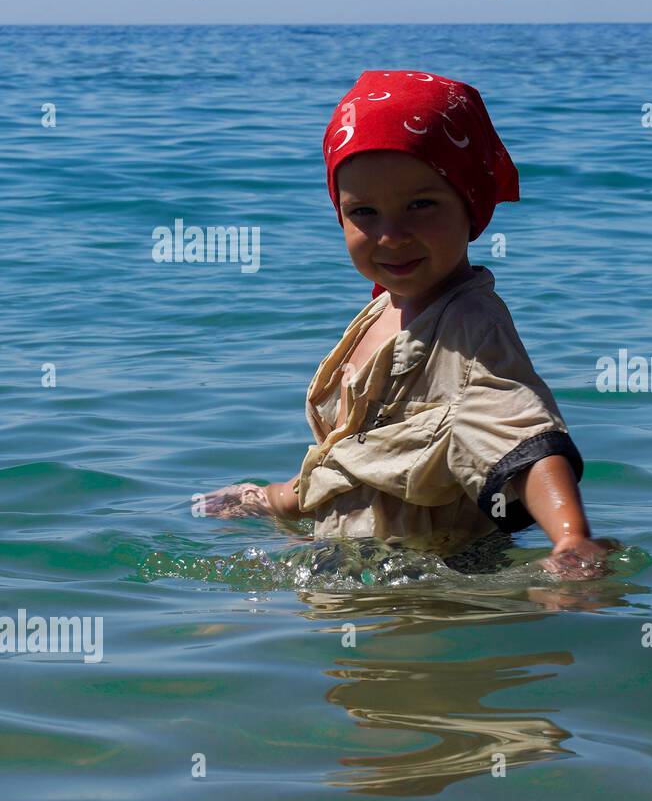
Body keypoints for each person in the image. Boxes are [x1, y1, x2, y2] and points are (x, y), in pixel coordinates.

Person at [200, 70, 614, 581]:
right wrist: (274, 499)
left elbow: (523, 439)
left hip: (432, 578)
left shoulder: (468, 326)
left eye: (421, 205)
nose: (391, 235)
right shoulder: (385, 310)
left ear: (471, 204)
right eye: (364, 212)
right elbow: (356, 456)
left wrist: (570, 536)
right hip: (365, 564)